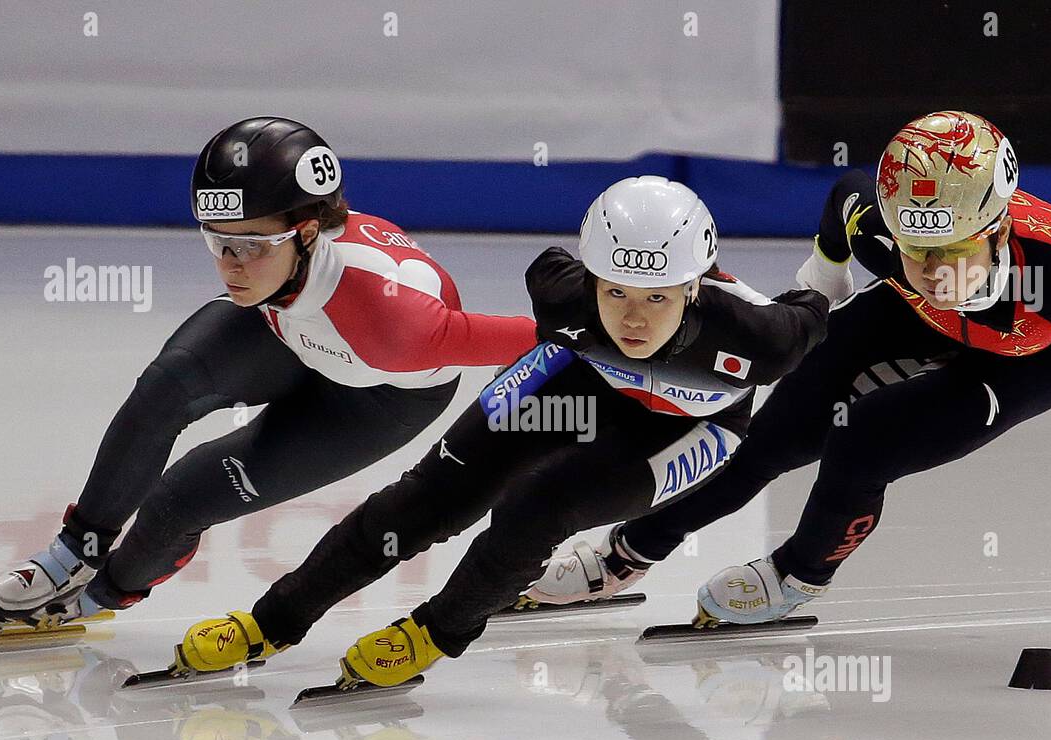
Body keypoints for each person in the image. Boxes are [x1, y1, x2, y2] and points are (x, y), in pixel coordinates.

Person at [172, 176, 830, 683]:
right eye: (616, 293)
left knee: (538, 508)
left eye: (657, 297)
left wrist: (832, 259)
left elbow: (817, 298)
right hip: (579, 383)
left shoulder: (763, 336)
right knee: (428, 495)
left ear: (694, 287)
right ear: (591, 279)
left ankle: (438, 630)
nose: (634, 319)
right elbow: (550, 273)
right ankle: (273, 619)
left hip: (692, 424)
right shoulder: (561, 292)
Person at [524, 110, 1051, 626]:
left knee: (866, 439)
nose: (933, 271)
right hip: (913, 318)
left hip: (1031, 357)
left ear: (996, 229)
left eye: (952, 250)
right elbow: (843, 195)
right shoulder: (880, 234)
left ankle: (800, 573)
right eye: (915, 248)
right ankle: (630, 551)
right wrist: (825, 278)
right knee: (772, 434)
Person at [0, 116, 537, 635]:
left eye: (250, 246)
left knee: (179, 500)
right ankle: (73, 552)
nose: (230, 264)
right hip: (290, 328)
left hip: (378, 396)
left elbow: (555, 338)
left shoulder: (396, 324)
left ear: (308, 233)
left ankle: (103, 593)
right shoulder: (273, 268)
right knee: (166, 387)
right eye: (216, 240)